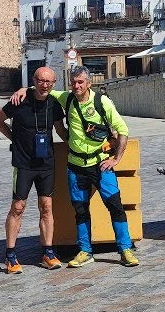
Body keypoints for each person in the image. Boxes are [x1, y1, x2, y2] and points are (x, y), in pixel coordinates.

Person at [11, 65, 137, 268]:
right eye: (73, 82)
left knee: (115, 206)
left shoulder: (101, 102)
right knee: (80, 210)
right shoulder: (66, 98)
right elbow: (43, 87)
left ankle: (125, 248)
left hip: (100, 165)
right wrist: (24, 89)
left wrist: (116, 159)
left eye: (80, 82)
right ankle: (85, 251)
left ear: (89, 83)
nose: (76, 86)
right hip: (75, 166)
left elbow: (123, 130)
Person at [0, 66, 65, 274]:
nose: (44, 85)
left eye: (49, 82)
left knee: (47, 207)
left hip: (46, 164)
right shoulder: (19, 100)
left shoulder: (54, 104)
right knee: (18, 206)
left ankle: (48, 253)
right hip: (23, 164)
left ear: (53, 83)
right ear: (34, 80)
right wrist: (14, 139)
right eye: (41, 81)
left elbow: (60, 130)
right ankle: (11, 256)